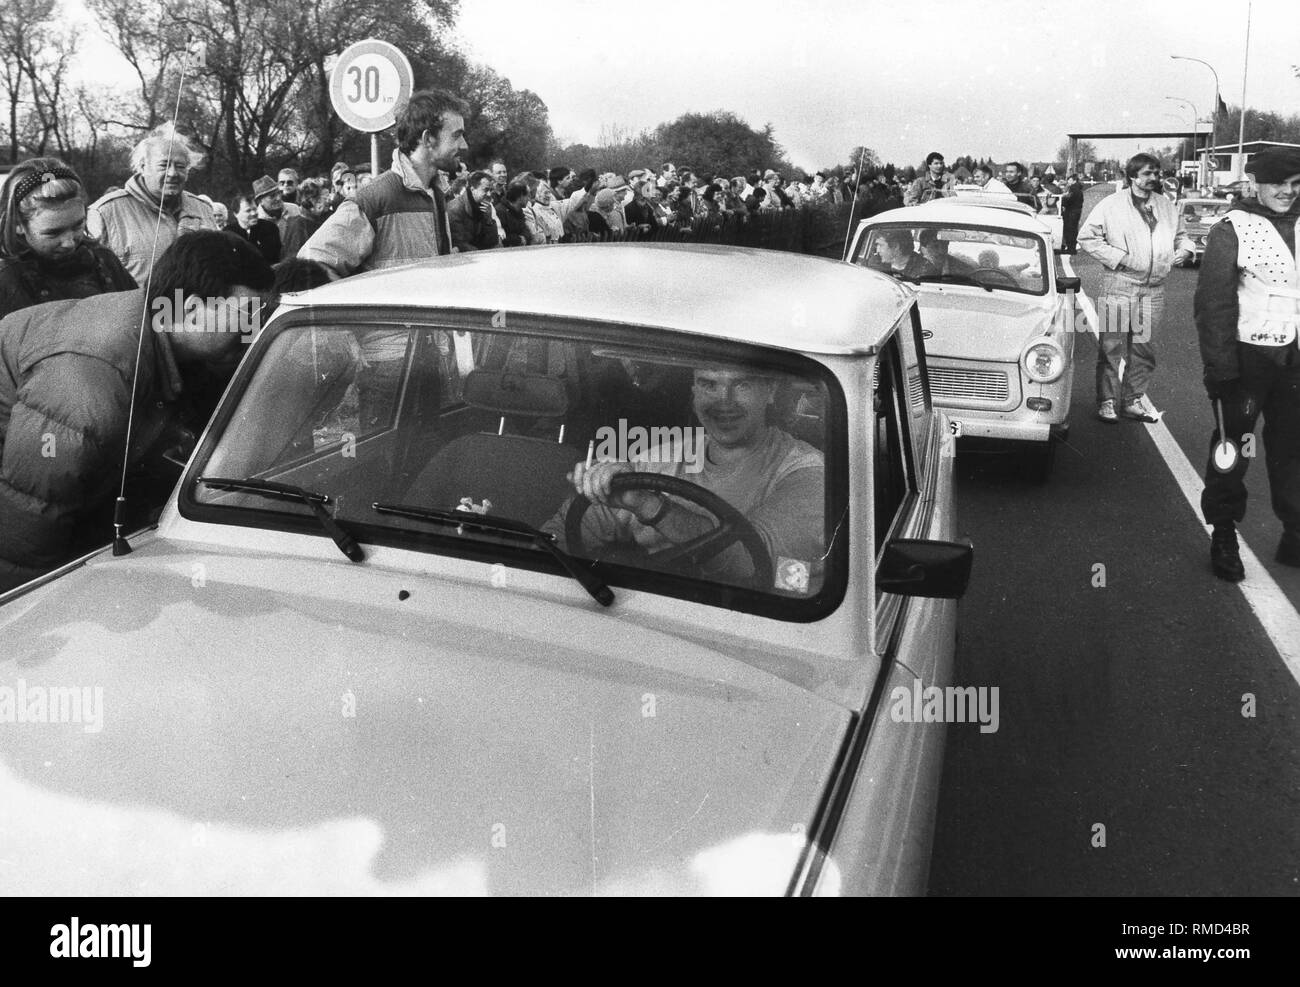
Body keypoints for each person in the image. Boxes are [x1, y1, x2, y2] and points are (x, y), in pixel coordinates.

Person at [0, 231, 274, 591]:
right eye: (248, 316)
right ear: (191, 310)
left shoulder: (165, 332)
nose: (254, 331)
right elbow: (28, 520)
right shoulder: (95, 376)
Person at [543, 364, 824, 586]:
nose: (724, 401)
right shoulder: (660, 458)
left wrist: (649, 505)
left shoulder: (805, 472)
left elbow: (748, 563)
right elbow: (559, 537)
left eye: (742, 384)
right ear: (694, 390)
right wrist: (598, 486)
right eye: (709, 384)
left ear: (770, 391)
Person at [1195, 147, 1300, 580]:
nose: (1287, 193)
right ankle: (1223, 535)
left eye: (1295, 186)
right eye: (1278, 184)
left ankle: (1295, 532)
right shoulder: (1232, 228)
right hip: (1248, 360)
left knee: (1292, 449)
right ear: (1255, 182)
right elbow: (1213, 304)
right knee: (1232, 449)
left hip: (1295, 363)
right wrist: (1220, 368)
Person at [1078, 153, 1194, 423]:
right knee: (1111, 347)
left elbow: (1182, 236)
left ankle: (1132, 400)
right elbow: (1087, 237)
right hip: (1120, 285)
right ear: (1132, 177)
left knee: (1144, 348)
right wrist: (1119, 259)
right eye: (1147, 174)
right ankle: (1106, 401)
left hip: (1154, 289)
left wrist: (1185, 251)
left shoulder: (1166, 205)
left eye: (1156, 173)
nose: (1154, 178)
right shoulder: (1112, 205)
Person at [0, 157, 136, 319]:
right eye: (53, 233)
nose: (69, 243)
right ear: (18, 224)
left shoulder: (105, 260)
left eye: (78, 225)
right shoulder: (6, 280)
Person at [86, 124, 220, 286]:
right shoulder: (105, 212)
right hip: (139, 310)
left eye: (180, 166)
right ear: (143, 167)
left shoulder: (203, 208)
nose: (172, 173)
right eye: (164, 165)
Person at [448, 171, 502, 251]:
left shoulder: (485, 206)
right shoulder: (455, 209)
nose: (489, 194)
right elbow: (459, 243)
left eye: (491, 190)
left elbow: (492, 242)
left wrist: (489, 220)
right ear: (472, 189)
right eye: (486, 190)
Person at [278, 178, 329, 258]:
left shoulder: (298, 221)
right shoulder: (300, 226)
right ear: (312, 201)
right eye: (323, 199)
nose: (327, 202)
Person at [226, 192, 281, 264]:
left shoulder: (269, 228)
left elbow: (273, 257)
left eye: (255, 209)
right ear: (236, 214)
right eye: (248, 211)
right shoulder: (228, 233)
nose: (254, 213)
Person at [870, 228, 936, 279]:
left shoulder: (925, 268)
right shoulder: (876, 263)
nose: (878, 250)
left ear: (896, 246)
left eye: (881, 245)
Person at [1060, 173, 1084, 254]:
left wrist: (1063, 201)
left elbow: (1068, 199)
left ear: (1074, 181)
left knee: (1069, 229)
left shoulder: (1073, 188)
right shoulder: (1078, 188)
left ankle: (1070, 249)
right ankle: (1072, 247)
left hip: (1071, 211)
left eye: (1069, 180)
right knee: (1073, 229)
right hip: (1077, 211)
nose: (1068, 181)